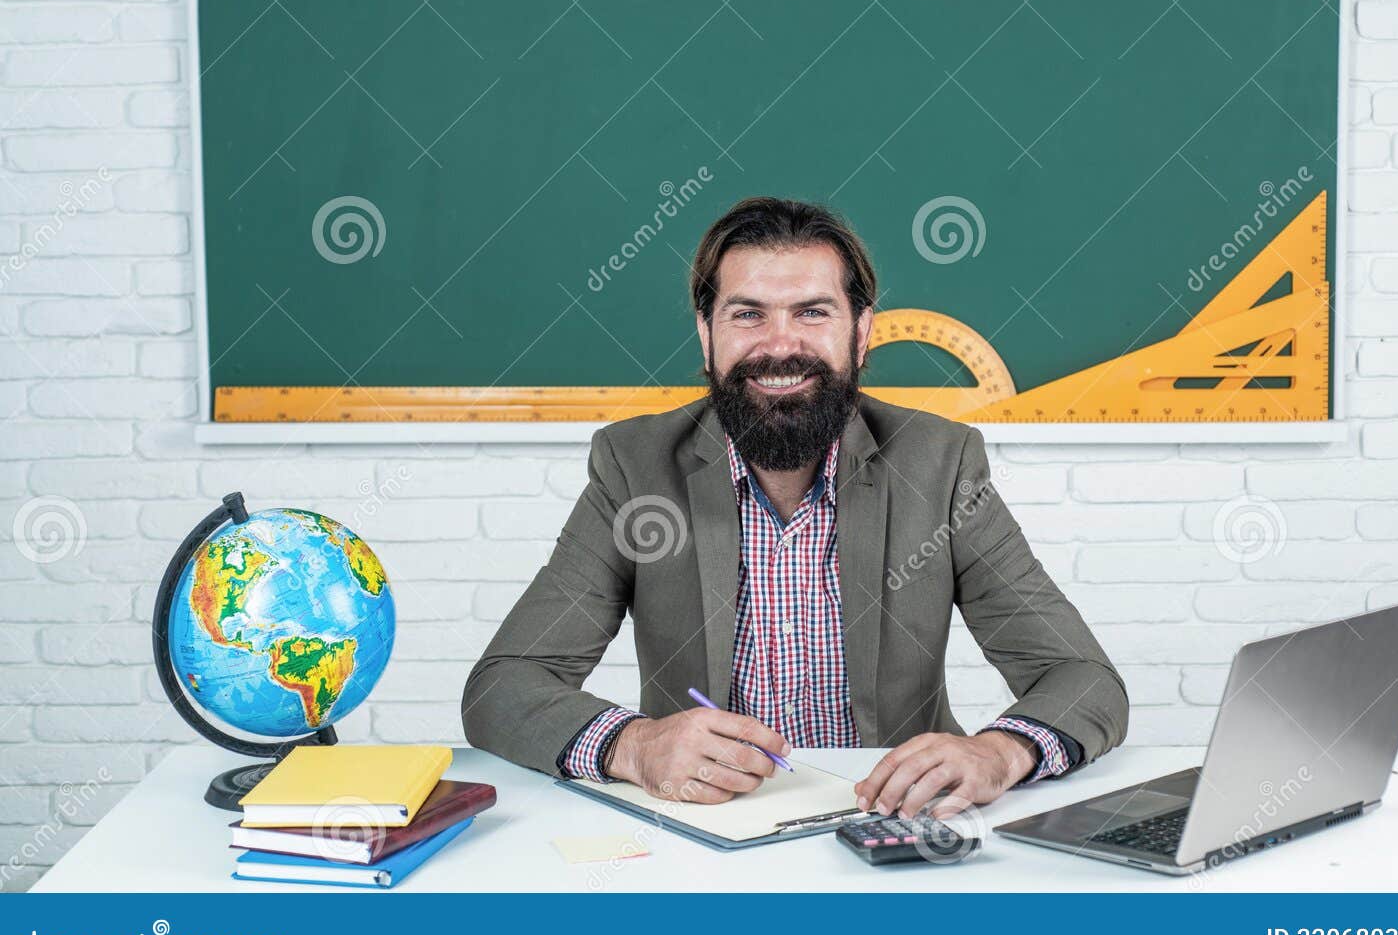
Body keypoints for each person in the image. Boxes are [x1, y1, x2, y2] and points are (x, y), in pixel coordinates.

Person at [462, 196, 1128, 820]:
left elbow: (1081, 676)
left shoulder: (940, 462)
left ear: (860, 332)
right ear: (707, 333)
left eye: (812, 312)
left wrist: (997, 751)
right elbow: (504, 686)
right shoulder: (635, 467)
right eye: (748, 313)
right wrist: (634, 747)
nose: (779, 344)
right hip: (706, 831)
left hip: (895, 824)